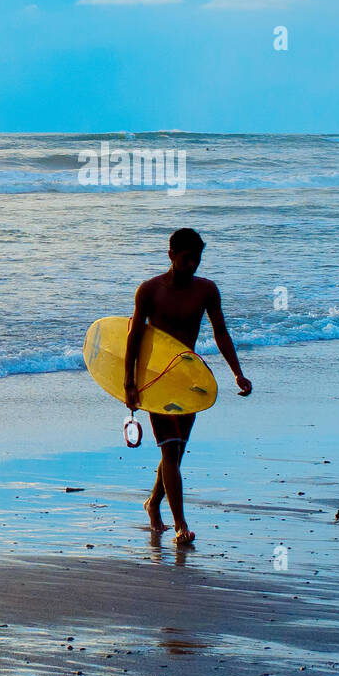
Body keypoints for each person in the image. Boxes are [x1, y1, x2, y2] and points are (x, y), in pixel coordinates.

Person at [124, 228, 252, 546]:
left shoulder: (206, 290)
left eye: (196, 259)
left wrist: (237, 373)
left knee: (177, 451)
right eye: (185, 258)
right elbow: (133, 337)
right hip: (154, 379)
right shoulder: (149, 291)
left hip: (189, 379)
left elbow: (221, 332)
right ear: (171, 255)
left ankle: (153, 503)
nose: (192, 264)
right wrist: (129, 382)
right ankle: (180, 524)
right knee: (169, 446)